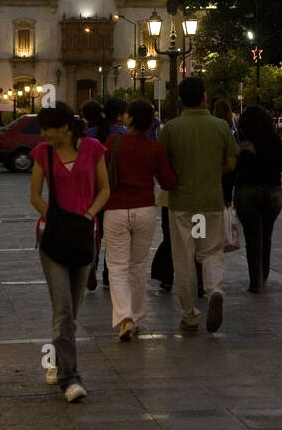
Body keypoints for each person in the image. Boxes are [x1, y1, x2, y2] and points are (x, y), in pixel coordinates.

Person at [30, 103, 109, 402]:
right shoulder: (43, 153)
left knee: (71, 313)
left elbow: (105, 189)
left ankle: (56, 360)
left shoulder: (93, 148)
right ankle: (70, 377)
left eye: (47, 128)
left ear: (64, 127)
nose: (43, 134)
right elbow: (34, 195)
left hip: (84, 236)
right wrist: (54, 217)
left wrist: (88, 215)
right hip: (53, 238)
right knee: (62, 309)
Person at [159, 77, 238, 334]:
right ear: (204, 96)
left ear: (181, 99)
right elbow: (230, 164)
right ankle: (214, 290)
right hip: (211, 202)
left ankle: (190, 314)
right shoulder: (220, 126)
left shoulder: (170, 128)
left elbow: (163, 166)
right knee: (211, 251)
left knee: (183, 258)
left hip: (182, 204)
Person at [103, 99, 177, 339]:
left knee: (116, 266)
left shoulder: (114, 142)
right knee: (137, 266)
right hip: (145, 209)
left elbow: (102, 174)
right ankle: (136, 315)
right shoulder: (154, 148)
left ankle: (124, 317)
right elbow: (168, 182)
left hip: (115, 210)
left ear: (130, 119)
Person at [234, 104, 282, 292]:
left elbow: (233, 167)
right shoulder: (274, 139)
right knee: (266, 234)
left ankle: (255, 280)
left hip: (246, 190)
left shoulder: (241, 139)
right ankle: (263, 275)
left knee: (252, 237)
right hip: (272, 191)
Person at [85, 97, 128, 291]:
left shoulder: (91, 133)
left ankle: (90, 267)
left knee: (95, 233)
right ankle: (108, 275)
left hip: (93, 192)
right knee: (113, 238)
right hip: (116, 193)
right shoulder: (124, 134)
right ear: (119, 115)